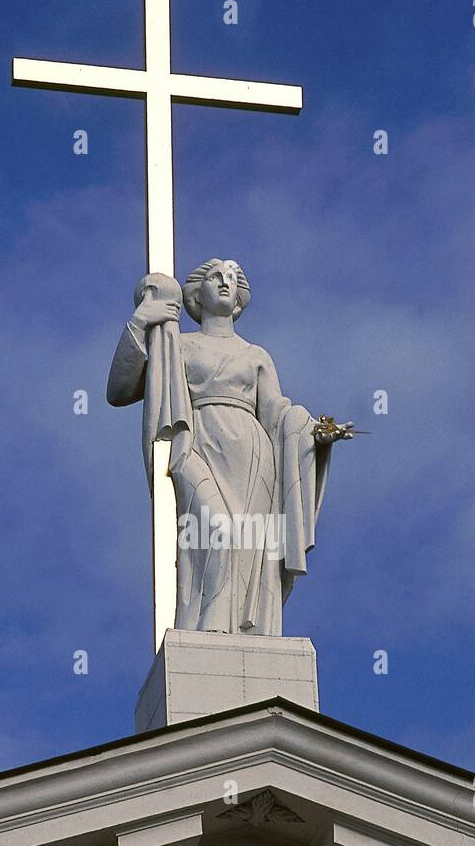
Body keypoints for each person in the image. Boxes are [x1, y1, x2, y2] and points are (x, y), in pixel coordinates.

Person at [107, 258, 352, 635]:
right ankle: (204, 629)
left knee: (250, 546)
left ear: (240, 297)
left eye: (233, 278)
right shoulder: (177, 345)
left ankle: (236, 631)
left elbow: (276, 412)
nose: (225, 282)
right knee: (214, 531)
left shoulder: (256, 355)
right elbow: (119, 391)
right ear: (196, 294)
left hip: (254, 460)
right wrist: (142, 320)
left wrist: (313, 432)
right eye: (216, 277)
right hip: (196, 444)